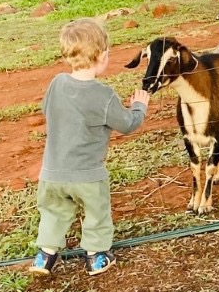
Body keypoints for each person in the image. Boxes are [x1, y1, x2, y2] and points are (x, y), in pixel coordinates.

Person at [31, 18, 148, 277]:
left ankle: (44, 258)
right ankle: (96, 257)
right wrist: (139, 106)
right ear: (103, 56)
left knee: (53, 213)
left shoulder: (56, 83)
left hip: (52, 174)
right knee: (97, 214)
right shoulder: (103, 95)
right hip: (88, 177)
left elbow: (46, 110)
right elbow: (128, 124)